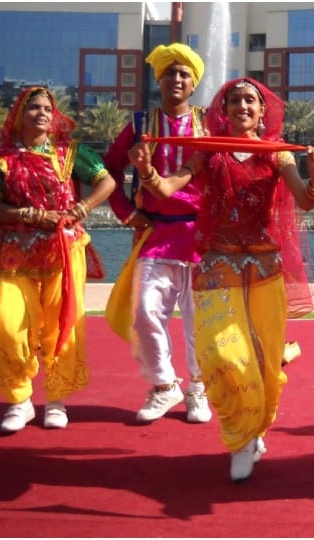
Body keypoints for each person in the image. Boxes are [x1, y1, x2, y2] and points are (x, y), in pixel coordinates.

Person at [127, 77, 314, 482]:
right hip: (217, 266)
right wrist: (148, 172)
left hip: (265, 270)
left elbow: (305, 198)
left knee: (265, 364)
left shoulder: (277, 154)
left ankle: (256, 433)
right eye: (234, 99)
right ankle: (240, 437)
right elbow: (167, 188)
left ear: (261, 111)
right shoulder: (209, 151)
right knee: (222, 354)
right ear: (224, 109)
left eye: (250, 100)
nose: (242, 105)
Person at [0, 87, 115, 432]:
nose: (42, 114)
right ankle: (20, 400)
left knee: (61, 327)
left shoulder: (71, 154)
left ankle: (56, 400)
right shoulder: (0, 160)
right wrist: (30, 215)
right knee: (10, 328)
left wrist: (81, 208)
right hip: (18, 253)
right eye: (34, 108)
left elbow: (108, 182)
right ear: (19, 115)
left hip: (63, 250)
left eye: (47, 108)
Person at [104, 43, 212, 424]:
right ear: (160, 79)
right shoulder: (138, 124)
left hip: (202, 236)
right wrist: (126, 212)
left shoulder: (209, 124)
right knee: (144, 312)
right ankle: (164, 386)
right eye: (171, 72)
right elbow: (107, 172)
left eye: (184, 73)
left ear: (193, 82)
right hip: (155, 233)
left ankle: (198, 389)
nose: (177, 79)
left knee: (200, 320)